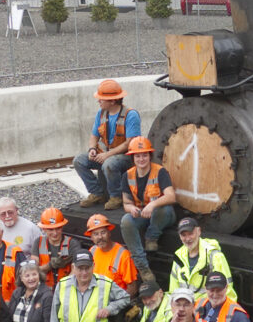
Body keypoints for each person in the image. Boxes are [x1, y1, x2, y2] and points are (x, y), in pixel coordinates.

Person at [117, 136, 178, 281]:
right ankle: (143, 268)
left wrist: (152, 205)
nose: (141, 159)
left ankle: (151, 237)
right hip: (142, 215)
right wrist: (131, 208)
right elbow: (126, 202)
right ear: (133, 158)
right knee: (126, 221)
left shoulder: (160, 172)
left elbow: (171, 197)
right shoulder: (127, 175)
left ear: (149, 156)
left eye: (144, 155)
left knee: (162, 209)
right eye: (137, 156)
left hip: (162, 215)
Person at [76, 79, 140, 209]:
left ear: (112, 101)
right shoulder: (101, 113)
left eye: (102, 99)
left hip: (127, 157)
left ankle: (116, 197)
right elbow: (94, 135)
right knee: (79, 161)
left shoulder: (131, 115)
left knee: (109, 164)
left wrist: (107, 155)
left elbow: (129, 143)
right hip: (107, 154)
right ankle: (97, 193)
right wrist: (92, 149)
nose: (98, 101)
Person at [167, 216, 235, 302]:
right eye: (183, 235)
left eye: (191, 233)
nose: (187, 239)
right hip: (186, 310)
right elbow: (173, 290)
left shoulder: (214, 256)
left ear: (199, 231)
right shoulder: (178, 257)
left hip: (207, 310)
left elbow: (227, 290)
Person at [28, 207, 80, 289]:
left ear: (62, 227)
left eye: (58, 228)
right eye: (50, 229)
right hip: (44, 290)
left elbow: (76, 270)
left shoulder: (73, 244)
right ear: (44, 229)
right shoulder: (38, 242)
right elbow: (33, 271)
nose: (55, 233)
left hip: (66, 288)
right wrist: (50, 265)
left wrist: (62, 288)